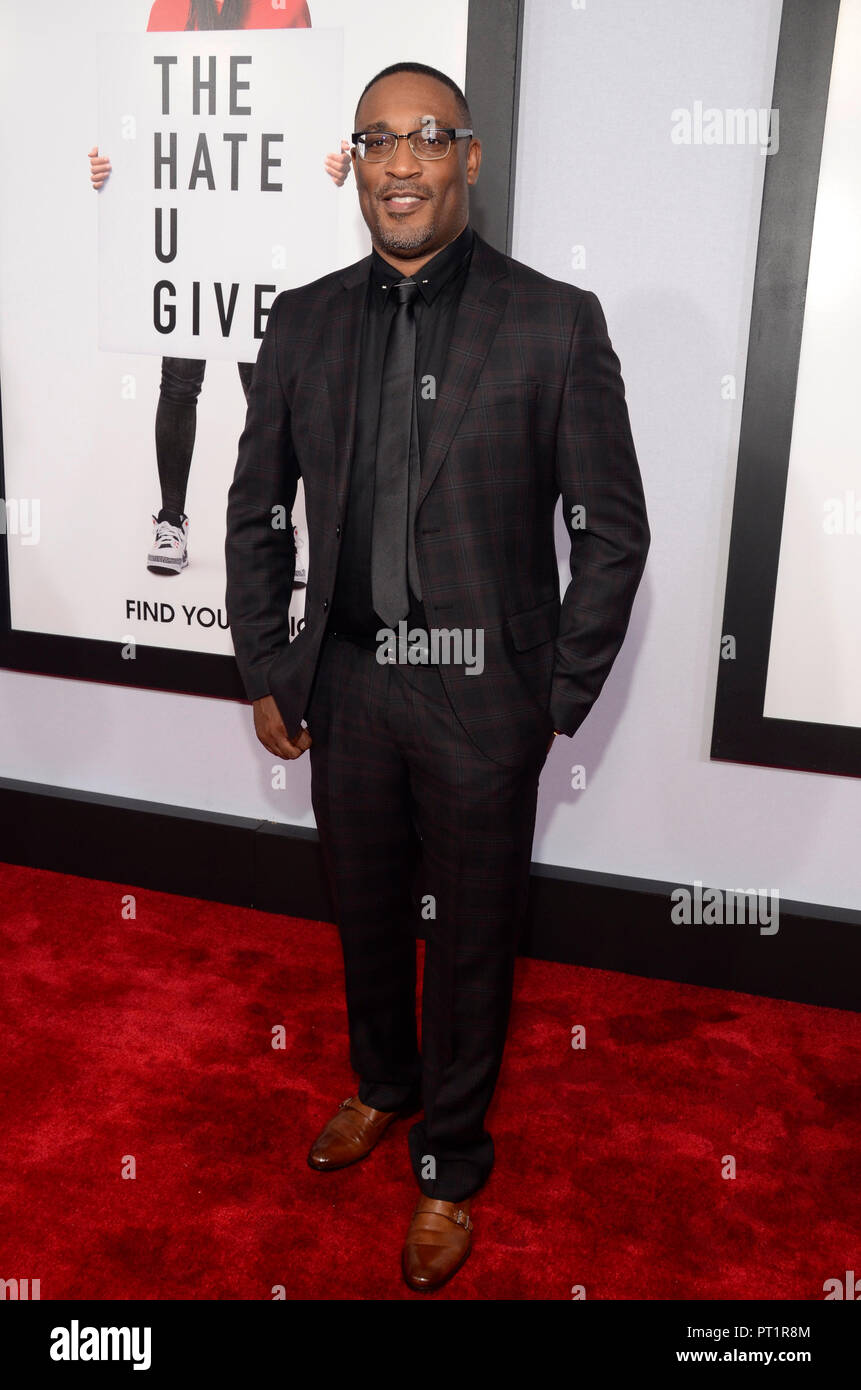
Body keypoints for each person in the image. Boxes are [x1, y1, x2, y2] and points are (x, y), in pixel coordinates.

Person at [225, 61, 650, 1293]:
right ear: (352, 163)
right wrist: (266, 660)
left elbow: (611, 532)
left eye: (426, 139)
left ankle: (451, 1165)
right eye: (376, 141)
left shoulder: (554, 321)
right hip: (347, 685)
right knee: (363, 916)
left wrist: (548, 699)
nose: (400, 164)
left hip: (481, 697)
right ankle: (382, 1083)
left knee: (469, 945)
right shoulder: (301, 318)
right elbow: (255, 509)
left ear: (470, 157)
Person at [88, 0, 350, 575]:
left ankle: (279, 527)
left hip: (257, 222)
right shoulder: (170, 5)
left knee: (267, 385)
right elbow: (146, 105)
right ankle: (171, 522)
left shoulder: (287, 5)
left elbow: (302, 105)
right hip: (187, 221)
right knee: (179, 379)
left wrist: (331, 163)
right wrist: (115, 165)